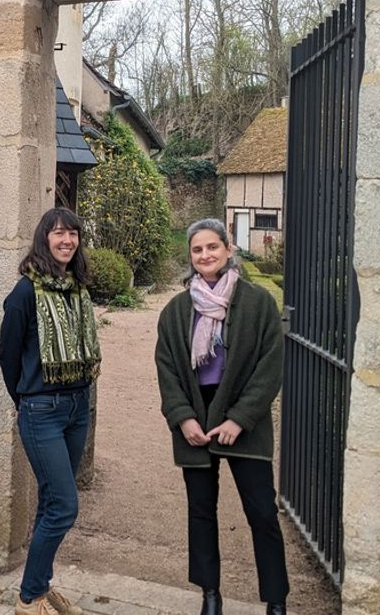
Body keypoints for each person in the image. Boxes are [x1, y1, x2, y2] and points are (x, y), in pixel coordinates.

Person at [154, 218, 289, 615]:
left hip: (241, 417)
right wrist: (183, 419)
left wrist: (239, 419)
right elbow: (168, 370)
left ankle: (276, 600)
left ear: (229, 250)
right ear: (190, 256)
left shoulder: (258, 303)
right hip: (196, 416)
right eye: (197, 250)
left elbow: (270, 367)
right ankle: (210, 595)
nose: (205, 255)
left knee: (262, 512)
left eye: (212, 247)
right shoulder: (176, 311)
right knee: (201, 511)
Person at [0, 207, 101, 615]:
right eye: (58, 234)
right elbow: (8, 357)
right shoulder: (25, 293)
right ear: (44, 239)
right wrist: (24, 402)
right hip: (42, 409)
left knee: (49, 502)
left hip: (77, 407)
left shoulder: (78, 289)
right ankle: (28, 601)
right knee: (65, 505)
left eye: (73, 234)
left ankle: (38, 586)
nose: (66, 240)